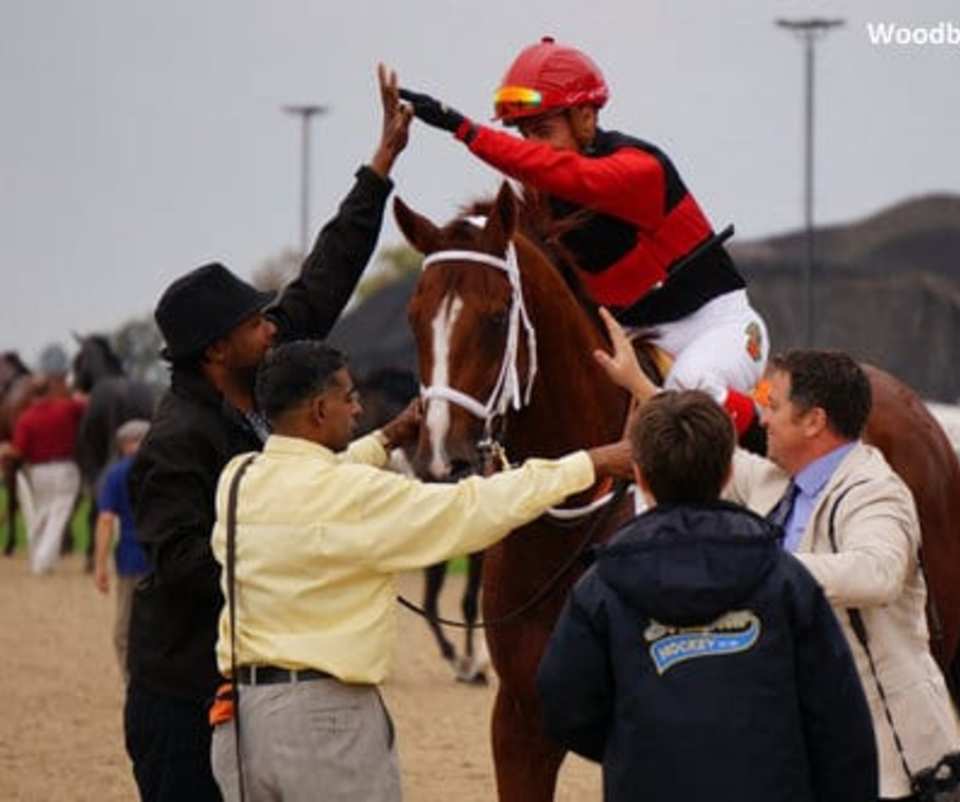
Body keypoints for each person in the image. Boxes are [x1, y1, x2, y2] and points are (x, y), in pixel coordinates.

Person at [123, 65, 413, 802]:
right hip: (181, 694)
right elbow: (183, 562)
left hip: (247, 688)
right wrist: (297, 553)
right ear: (217, 350)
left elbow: (325, 277)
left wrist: (377, 171)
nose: (272, 323)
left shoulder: (266, 375)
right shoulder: (175, 439)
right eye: (255, 321)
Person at [208, 341, 631, 801]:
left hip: (243, 723)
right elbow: (471, 507)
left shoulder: (240, 476)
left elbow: (311, 473)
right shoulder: (354, 494)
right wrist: (592, 463)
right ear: (318, 409)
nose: (357, 407)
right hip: (325, 725)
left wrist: (387, 437)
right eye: (348, 397)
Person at [593, 314, 960, 802]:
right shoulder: (775, 483)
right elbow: (699, 448)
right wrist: (639, 385)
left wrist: (755, 569)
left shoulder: (876, 490)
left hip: (894, 763)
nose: (762, 418)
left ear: (813, 420)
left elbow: (877, 574)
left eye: (771, 406)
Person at [400, 37, 769, 438]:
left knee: (688, 385)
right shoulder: (544, 198)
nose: (534, 148)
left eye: (543, 130)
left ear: (587, 119)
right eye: (526, 135)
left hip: (712, 326)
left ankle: (771, 451)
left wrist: (465, 130)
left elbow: (569, 175)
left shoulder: (639, 169)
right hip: (625, 336)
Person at [535, 389, 876, 802]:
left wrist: (637, 742)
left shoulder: (600, 586)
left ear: (639, 477)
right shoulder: (786, 580)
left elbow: (563, 705)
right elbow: (840, 719)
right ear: (729, 473)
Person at [5, 344, 86, 575]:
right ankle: (42, 561)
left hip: (38, 472)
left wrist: (4, 450)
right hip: (65, 469)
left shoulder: (26, 419)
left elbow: (18, 450)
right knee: (59, 517)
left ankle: (39, 557)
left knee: (41, 514)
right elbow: (86, 407)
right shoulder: (68, 408)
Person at [93, 418, 151, 682]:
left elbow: (106, 520)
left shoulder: (116, 475)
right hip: (161, 555)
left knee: (125, 627)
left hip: (130, 556)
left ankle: (132, 680)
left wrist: (100, 565)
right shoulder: (162, 467)